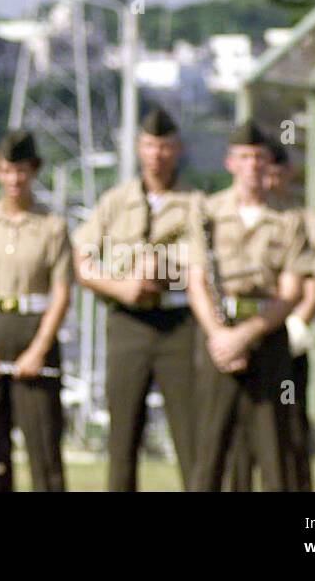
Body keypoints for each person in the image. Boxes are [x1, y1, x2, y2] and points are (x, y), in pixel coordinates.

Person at [73, 107, 202, 491]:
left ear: (177, 149)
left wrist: (166, 273)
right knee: (123, 434)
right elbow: (83, 261)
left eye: (164, 146)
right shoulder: (115, 201)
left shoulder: (196, 203)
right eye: (149, 146)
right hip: (127, 323)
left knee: (190, 433)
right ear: (138, 148)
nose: (157, 154)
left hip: (178, 323)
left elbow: (208, 265)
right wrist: (122, 287)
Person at [188, 121, 309, 493]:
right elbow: (197, 282)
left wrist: (245, 335)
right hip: (216, 336)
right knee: (209, 446)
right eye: (244, 157)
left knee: (274, 446)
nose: (252, 165)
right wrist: (221, 337)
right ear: (230, 163)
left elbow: (290, 293)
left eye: (260, 158)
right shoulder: (206, 212)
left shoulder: (290, 220)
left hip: (266, 334)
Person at [0, 131, 72, 492]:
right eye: (6, 170)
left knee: (44, 449)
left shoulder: (52, 226)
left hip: (33, 333)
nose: (14, 180)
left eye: (21, 170)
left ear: (33, 171)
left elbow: (62, 292)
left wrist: (39, 349)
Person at [227, 140, 315, 492]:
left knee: (290, 425)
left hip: (288, 345)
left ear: (287, 174)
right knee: (240, 428)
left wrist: (296, 323)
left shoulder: (304, 221)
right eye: (267, 171)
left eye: (278, 172)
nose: (271, 179)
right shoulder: (239, 214)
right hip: (246, 337)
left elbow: (314, 286)